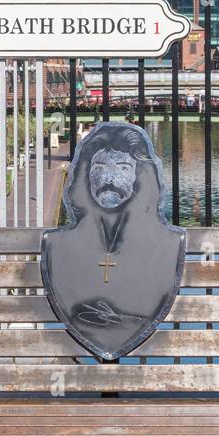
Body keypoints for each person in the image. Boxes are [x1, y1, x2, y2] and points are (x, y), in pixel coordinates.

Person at [41, 122, 186, 360]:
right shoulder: (56, 246)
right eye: (98, 167)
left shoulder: (169, 244)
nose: (109, 177)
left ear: (140, 176)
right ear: (84, 175)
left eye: (122, 167)